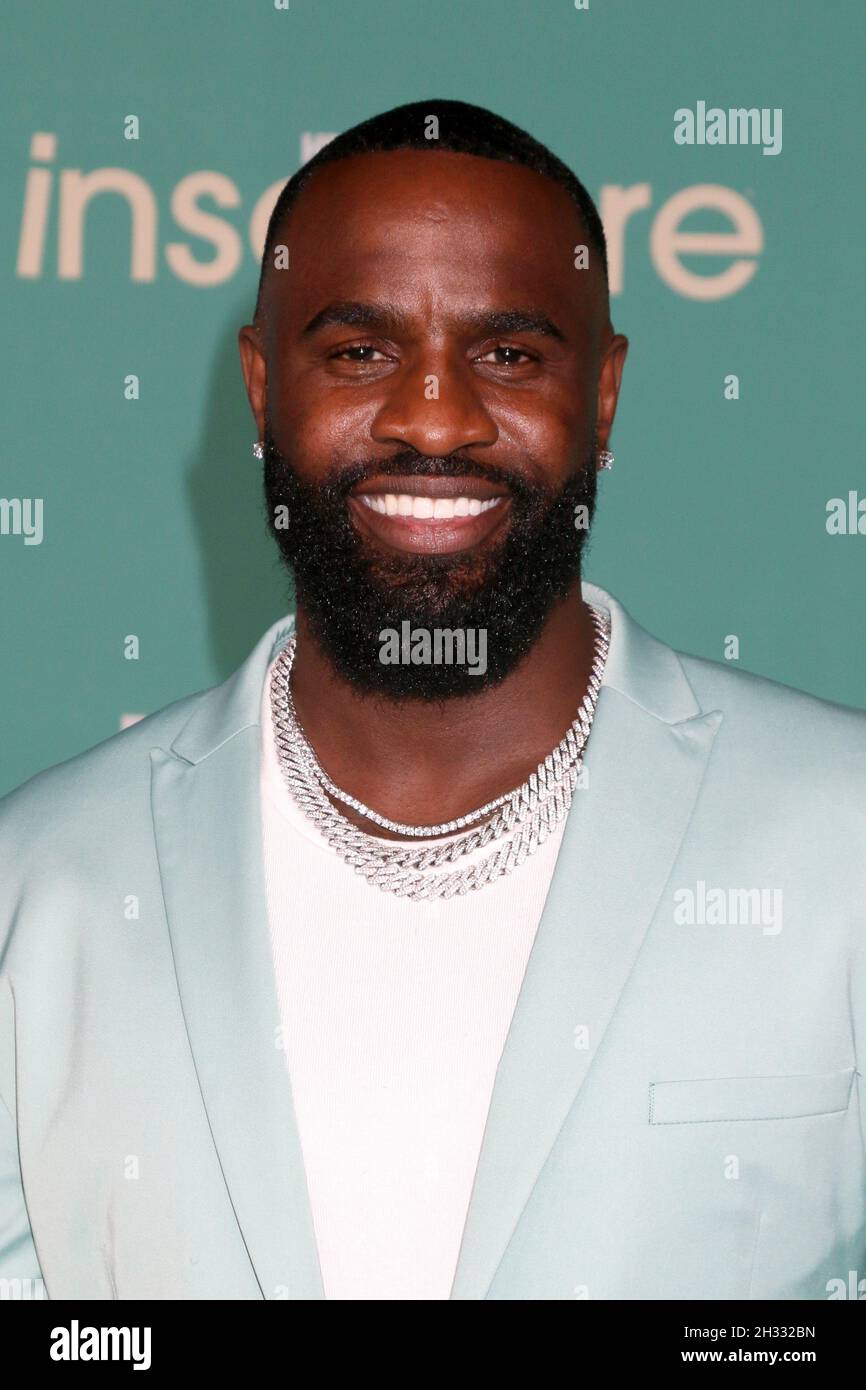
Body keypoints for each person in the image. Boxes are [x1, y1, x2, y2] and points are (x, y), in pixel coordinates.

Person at [1, 99, 864, 1302]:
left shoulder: (841, 837)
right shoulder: (42, 881)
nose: (433, 416)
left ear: (602, 396)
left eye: (507, 353)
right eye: (359, 352)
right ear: (260, 388)